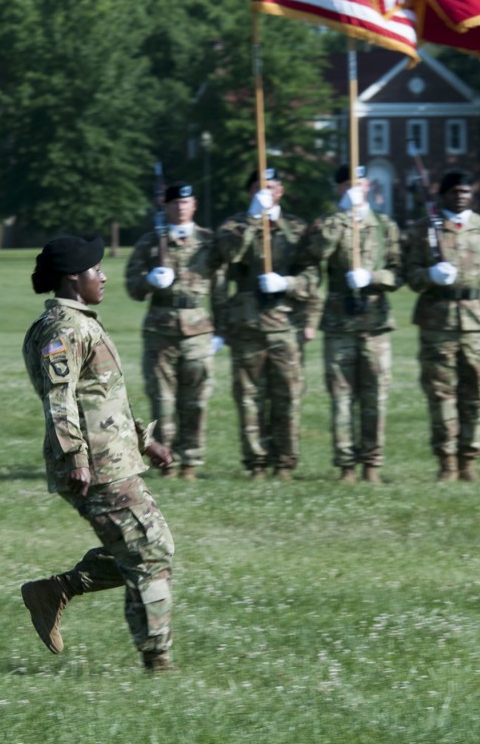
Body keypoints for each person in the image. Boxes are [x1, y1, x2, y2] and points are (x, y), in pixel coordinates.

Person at [20, 235, 177, 672]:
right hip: (96, 465)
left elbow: (101, 397)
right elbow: (60, 399)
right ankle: (157, 660)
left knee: (150, 549)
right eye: (97, 270)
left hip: (114, 458)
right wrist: (76, 458)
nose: (104, 277)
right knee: (148, 553)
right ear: (74, 278)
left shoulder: (80, 322)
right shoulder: (64, 329)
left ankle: (56, 590)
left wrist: (144, 441)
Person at [404, 170, 480, 482]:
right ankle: (446, 462)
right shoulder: (424, 229)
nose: (460, 196)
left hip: (478, 321)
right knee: (441, 394)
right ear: (443, 194)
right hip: (437, 321)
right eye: (454, 191)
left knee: (475, 392)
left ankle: (469, 459)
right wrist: (430, 275)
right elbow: (410, 276)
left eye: (465, 191)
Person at [297, 164, 405, 483]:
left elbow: (399, 273)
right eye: (348, 184)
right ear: (339, 189)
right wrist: (342, 218)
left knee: (375, 396)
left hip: (375, 323)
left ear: (368, 186)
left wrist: (372, 276)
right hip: (339, 322)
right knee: (341, 397)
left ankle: (372, 463)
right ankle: (346, 465)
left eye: (360, 183)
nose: (355, 188)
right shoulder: (327, 224)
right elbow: (314, 255)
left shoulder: (384, 226)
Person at [213, 167, 316, 480]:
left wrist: (287, 283)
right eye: (260, 187)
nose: (266, 192)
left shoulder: (297, 228)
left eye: (272, 187)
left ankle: (285, 462)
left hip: (286, 324)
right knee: (249, 397)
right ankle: (256, 462)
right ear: (250, 193)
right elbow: (228, 257)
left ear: (281, 191)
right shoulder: (234, 225)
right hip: (248, 324)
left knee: (288, 395)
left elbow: (312, 276)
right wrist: (253, 220)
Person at [124, 182, 221, 481]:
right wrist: (151, 280)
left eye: (186, 202)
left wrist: (222, 330)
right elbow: (133, 287)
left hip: (198, 330)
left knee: (196, 400)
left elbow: (220, 288)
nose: (181, 207)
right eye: (175, 203)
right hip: (160, 329)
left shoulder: (209, 241)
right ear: (165, 206)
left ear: (194, 205)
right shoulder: (151, 242)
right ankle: (166, 461)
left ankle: (190, 461)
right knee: (162, 400)